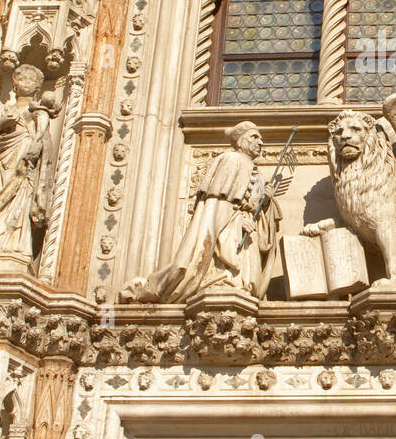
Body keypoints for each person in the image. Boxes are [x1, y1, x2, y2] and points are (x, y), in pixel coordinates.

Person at [120, 121, 281, 303]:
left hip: (245, 234)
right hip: (229, 230)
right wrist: (237, 223)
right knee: (226, 277)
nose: (261, 142)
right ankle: (222, 280)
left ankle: (237, 285)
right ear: (242, 140)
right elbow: (218, 205)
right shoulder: (231, 160)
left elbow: (252, 209)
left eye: (261, 138)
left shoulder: (257, 173)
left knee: (245, 281)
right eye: (255, 137)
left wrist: (266, 202)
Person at [0, 63, 52, 261]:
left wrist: (34, 147)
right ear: (14, 83)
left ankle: (9, 246)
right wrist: (3, 123)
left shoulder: (38, 110)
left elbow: (42, 137)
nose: (26, 82)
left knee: (17, 199)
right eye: (22, 78)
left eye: (31, 80)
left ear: (38, 87)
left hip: (21, 159)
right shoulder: (5, 109)